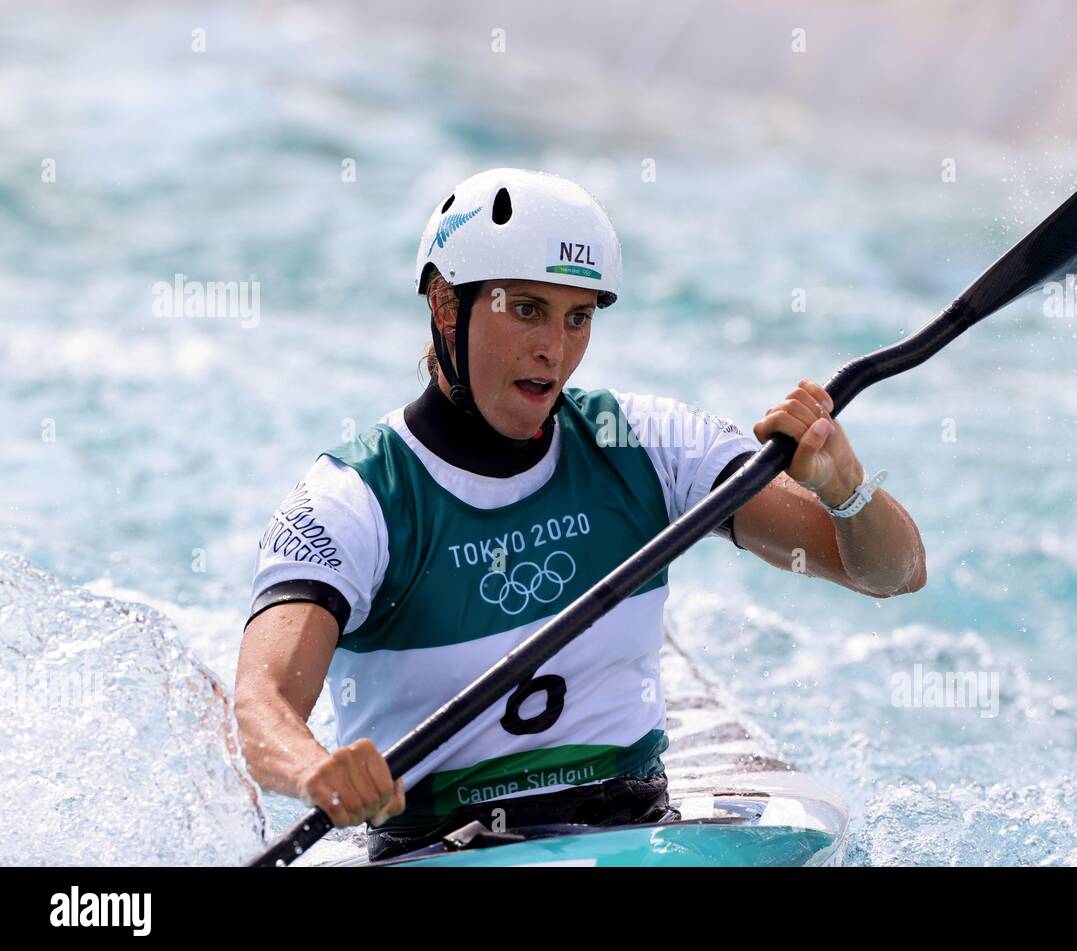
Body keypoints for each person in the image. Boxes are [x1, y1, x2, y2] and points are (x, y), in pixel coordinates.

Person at [234, 168, 926, 861]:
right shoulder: (355, 500)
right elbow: (261, 705)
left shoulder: (644, 443)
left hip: (634, 826)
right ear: (447, 305)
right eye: (527, 309)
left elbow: (893, 574)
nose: (555, 349)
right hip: (439, 849)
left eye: (579, 317)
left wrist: (847, 489)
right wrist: (312, 772)